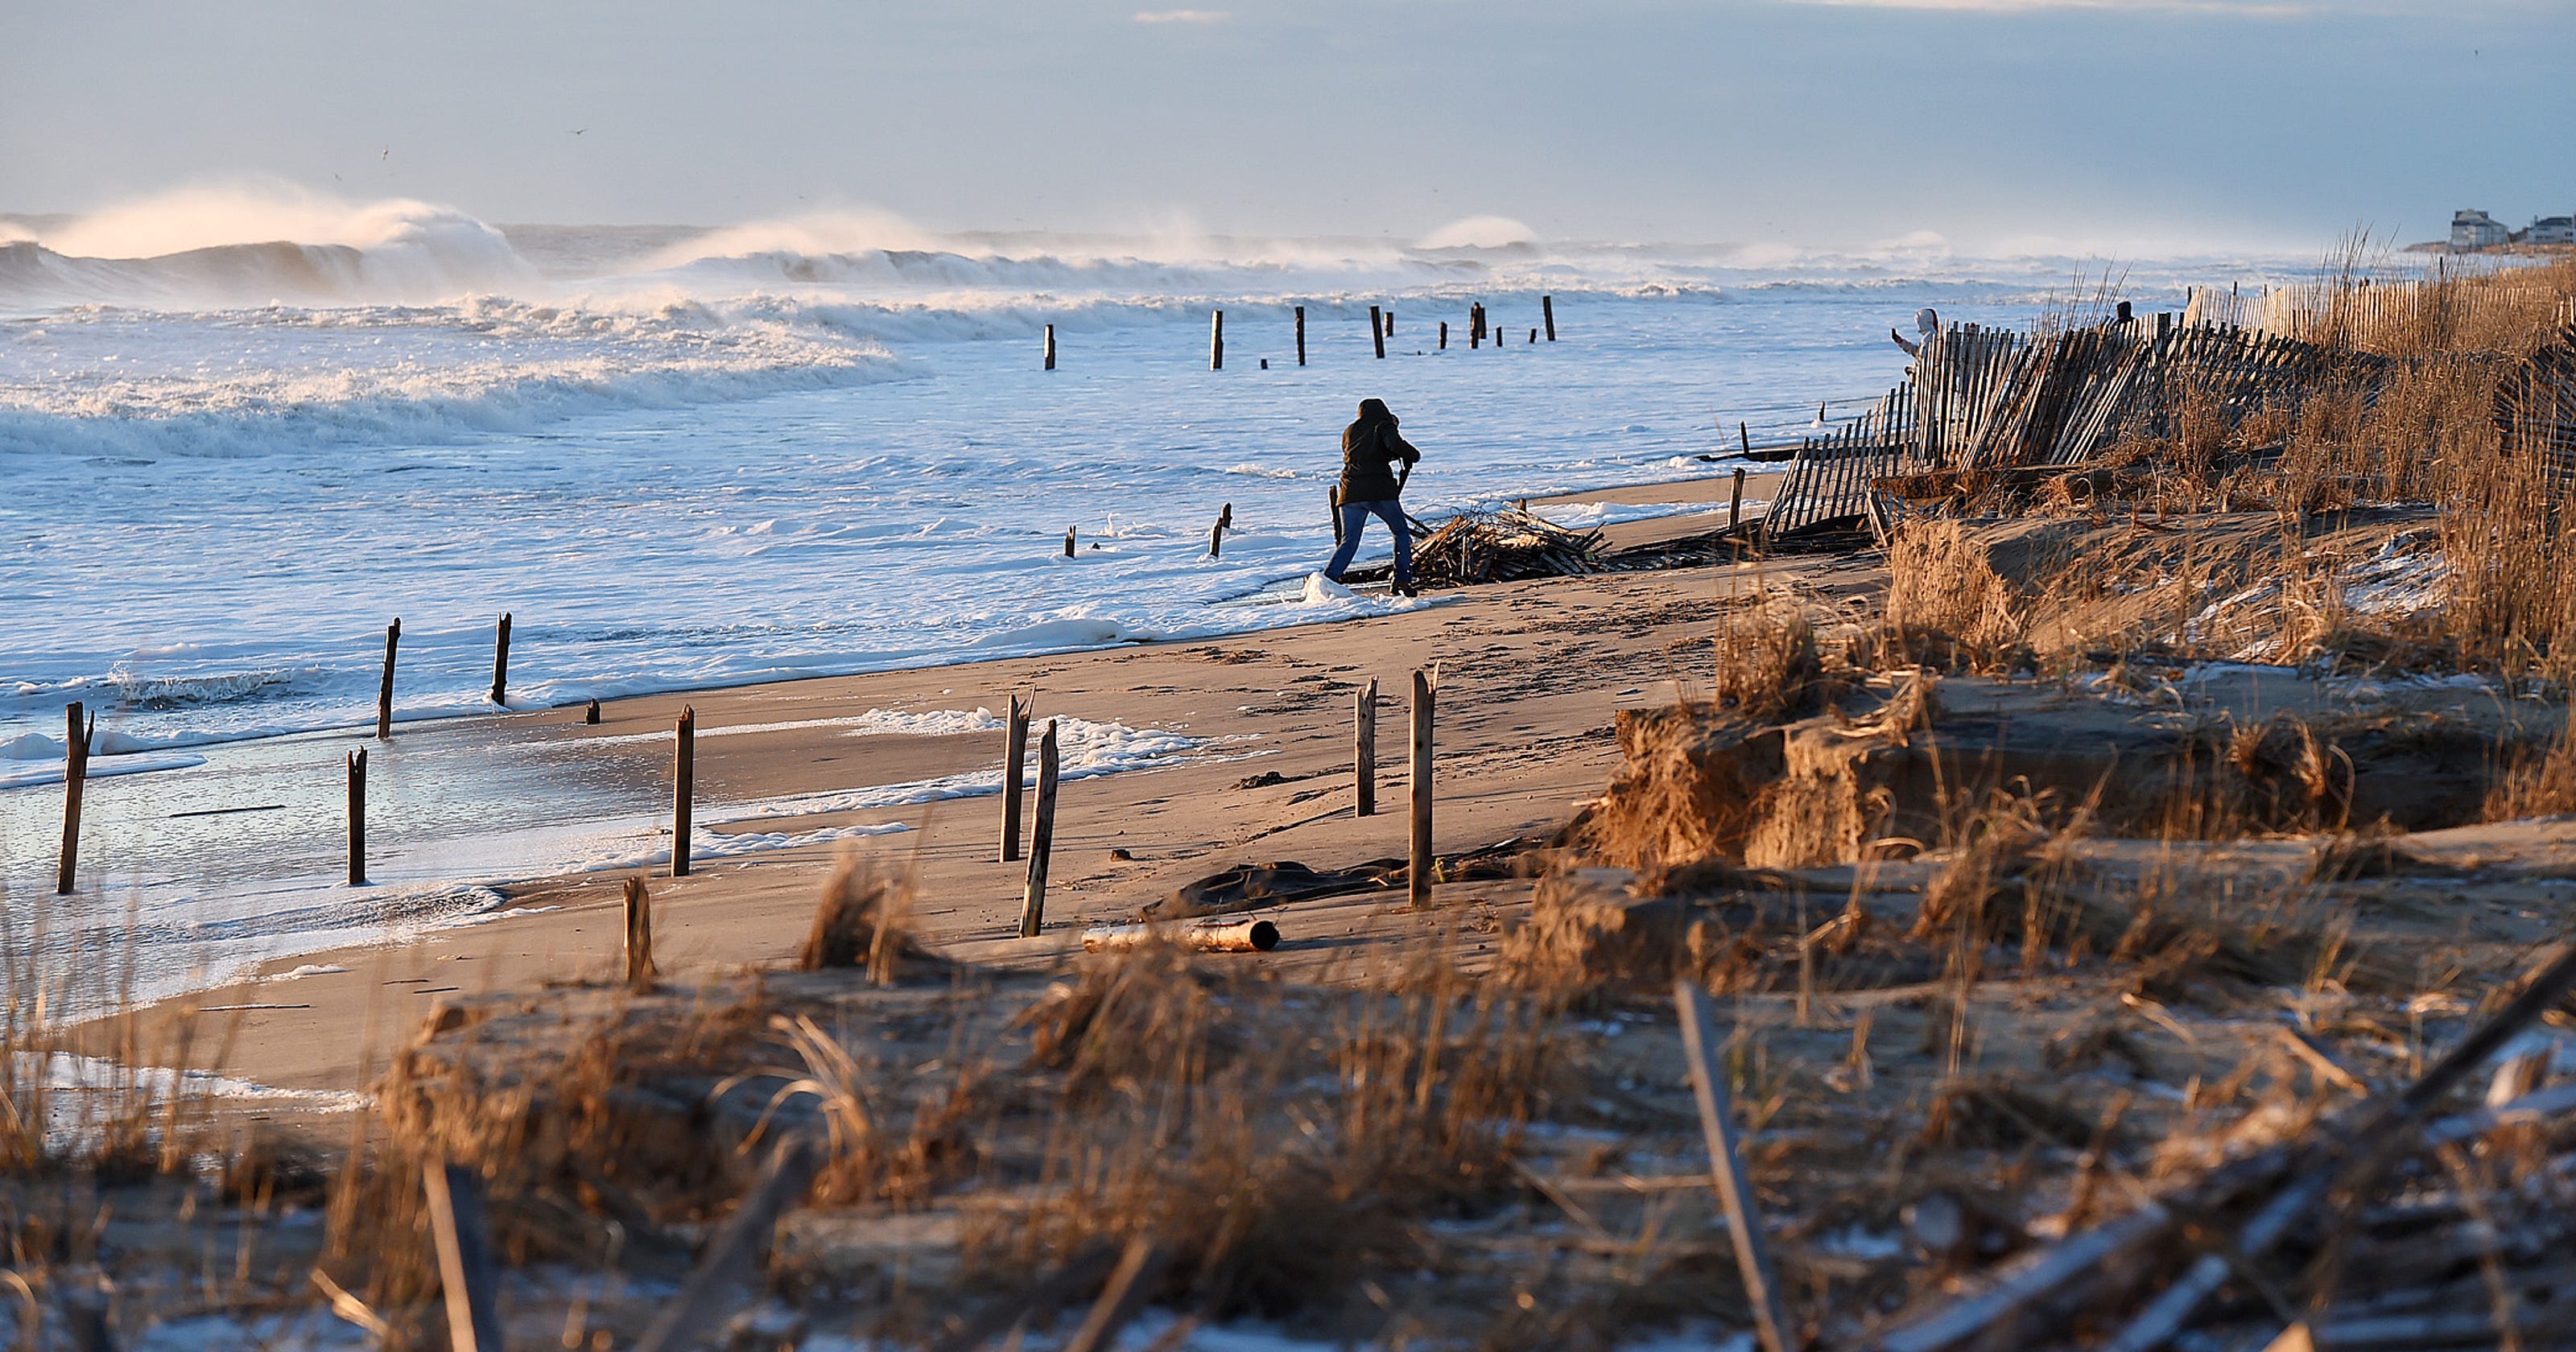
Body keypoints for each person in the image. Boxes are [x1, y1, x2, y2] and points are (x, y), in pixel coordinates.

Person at [1323, 397, 1420, 595]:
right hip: (1378, 490)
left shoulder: (1349, 430)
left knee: (1349, 540)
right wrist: (1413, 455)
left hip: (1349, 491)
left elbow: (1364, 452)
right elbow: (1396, 446)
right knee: (1400, 532)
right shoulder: (1384, 425)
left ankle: (1327, 581)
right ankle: (1402, 579)